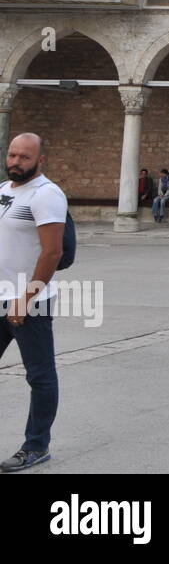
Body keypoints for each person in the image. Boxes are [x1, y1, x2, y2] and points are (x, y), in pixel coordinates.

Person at [0, 133, 67, 472]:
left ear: (40, 160)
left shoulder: (46, 195)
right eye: (12, 155)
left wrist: (26, 299)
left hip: (29, 302)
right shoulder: (3, 190)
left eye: (24, 157)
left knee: (39, 376)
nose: (16, 161)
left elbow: (52, 251)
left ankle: (36, 446)